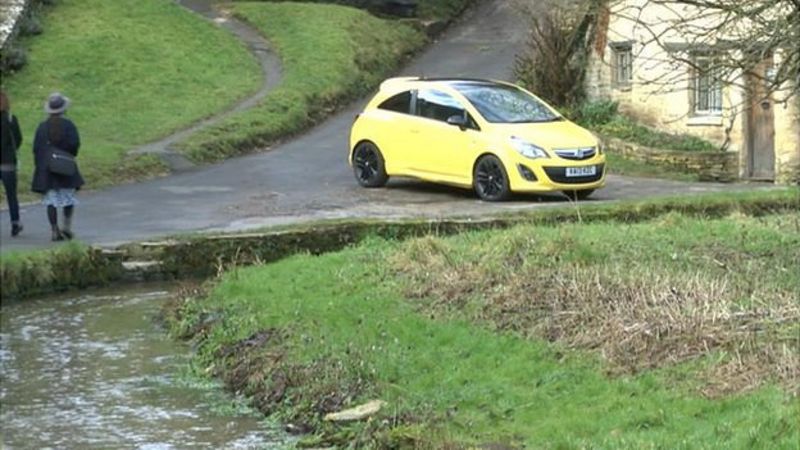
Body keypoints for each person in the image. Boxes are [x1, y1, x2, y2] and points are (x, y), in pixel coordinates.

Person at [32, 92, 84, 241]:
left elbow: (37, 148)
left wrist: (41, 164)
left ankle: (54, 229)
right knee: (68, 198)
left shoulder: (42, 127)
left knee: (51, 201)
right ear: (64, 109)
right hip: (65, 166)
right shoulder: (69, 125)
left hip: (47, 169)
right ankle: (66, 226)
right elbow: (74, 145)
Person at [1, 90, 24, 237]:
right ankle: (15, 222)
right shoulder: (10, 119)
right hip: (8, 162)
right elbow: (18, 138)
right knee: (11, 195)